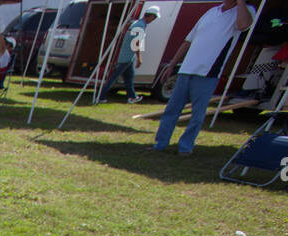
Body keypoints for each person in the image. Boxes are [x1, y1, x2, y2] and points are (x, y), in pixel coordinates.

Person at [154, 0, 255, 155]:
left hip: (208, 72)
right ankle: (160, 144)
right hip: (186, 69)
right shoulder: (211, 12)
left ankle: (185, 147)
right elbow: (188, 41)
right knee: (171, 110)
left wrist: (241, 2)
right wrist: (172, 64)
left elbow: (243, 25)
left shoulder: (245, 10)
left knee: (197, 115)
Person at [96, 5, 159, 104]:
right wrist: (139, 58)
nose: (153, 20)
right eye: (154, 17)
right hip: (127, 56)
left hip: (128, 55)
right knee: (114, 77)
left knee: (129, 77)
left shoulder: (137, 23)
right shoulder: (140, 26)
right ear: (150, 16)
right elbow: (136, 43)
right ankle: (100, 96)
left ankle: (132, 96)